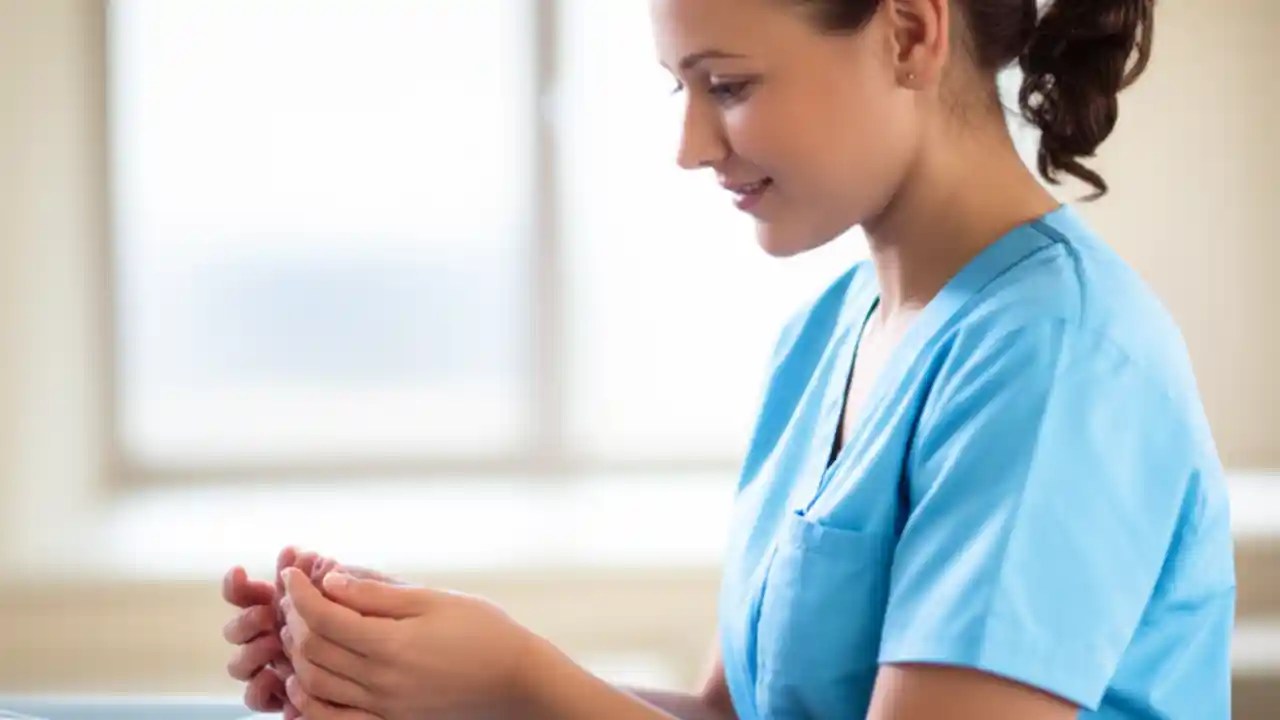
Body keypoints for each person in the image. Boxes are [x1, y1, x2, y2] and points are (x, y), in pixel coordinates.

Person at [221, 0, 1237, 718]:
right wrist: (414, 673)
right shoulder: (828, 334)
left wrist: (518, 681)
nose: (689, 144)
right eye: (679, 85)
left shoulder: (1054, 361)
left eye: (729, 84)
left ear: (908, 32)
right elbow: (733, 715)